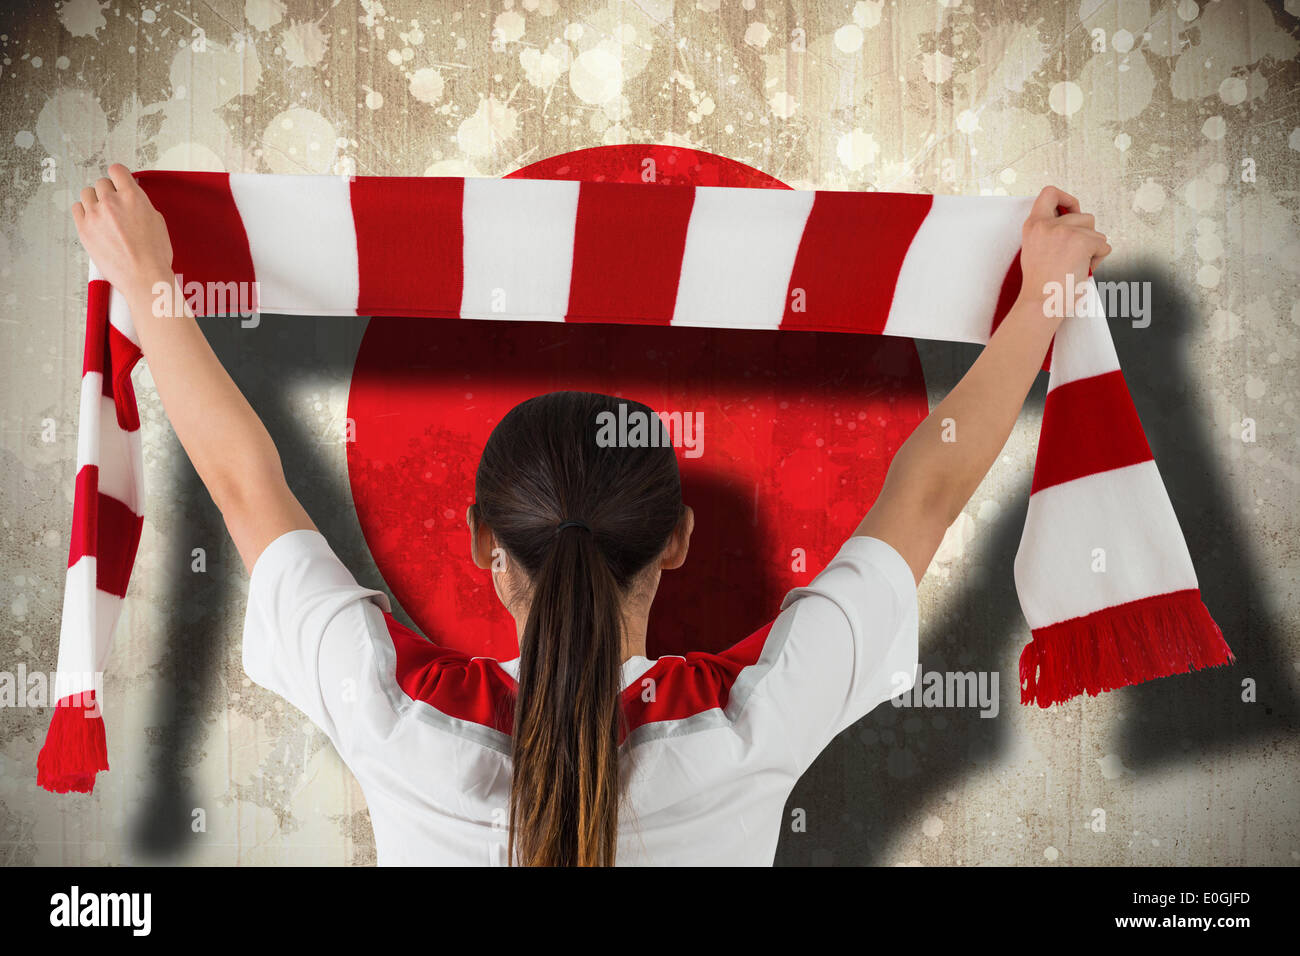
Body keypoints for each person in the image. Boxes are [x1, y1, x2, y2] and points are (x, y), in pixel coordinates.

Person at [71, 164, 1109, 866]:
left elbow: (249, 485)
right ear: (680, 539)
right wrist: (1042, 299)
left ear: (483, 543)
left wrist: (149, 281)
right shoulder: (749, 717)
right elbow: (922, 490)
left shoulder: (397, 714)